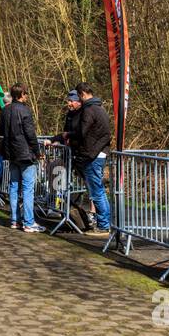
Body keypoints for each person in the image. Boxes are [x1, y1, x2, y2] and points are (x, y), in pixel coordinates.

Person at [70, 82, 113, 237]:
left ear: (82, 94)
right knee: (99, 191)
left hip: (92, 155)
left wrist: (69, 136)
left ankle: (103, 226)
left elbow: (82, 133)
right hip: (100, 153)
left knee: (96, 192)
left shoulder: (88, 110)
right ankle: (105, 223)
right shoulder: (101, 109)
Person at [0, 84, 41, 232]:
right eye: (26, 93)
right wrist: (37, 151)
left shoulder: (5, 111)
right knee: (28, 189)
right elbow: (30, 134)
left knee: (14, 187)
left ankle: (15, 220)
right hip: (25, 154)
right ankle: (29, 223)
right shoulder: (24, 110)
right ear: (21, 94)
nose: (27, 96)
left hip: (11, 153)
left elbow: (0, 130)